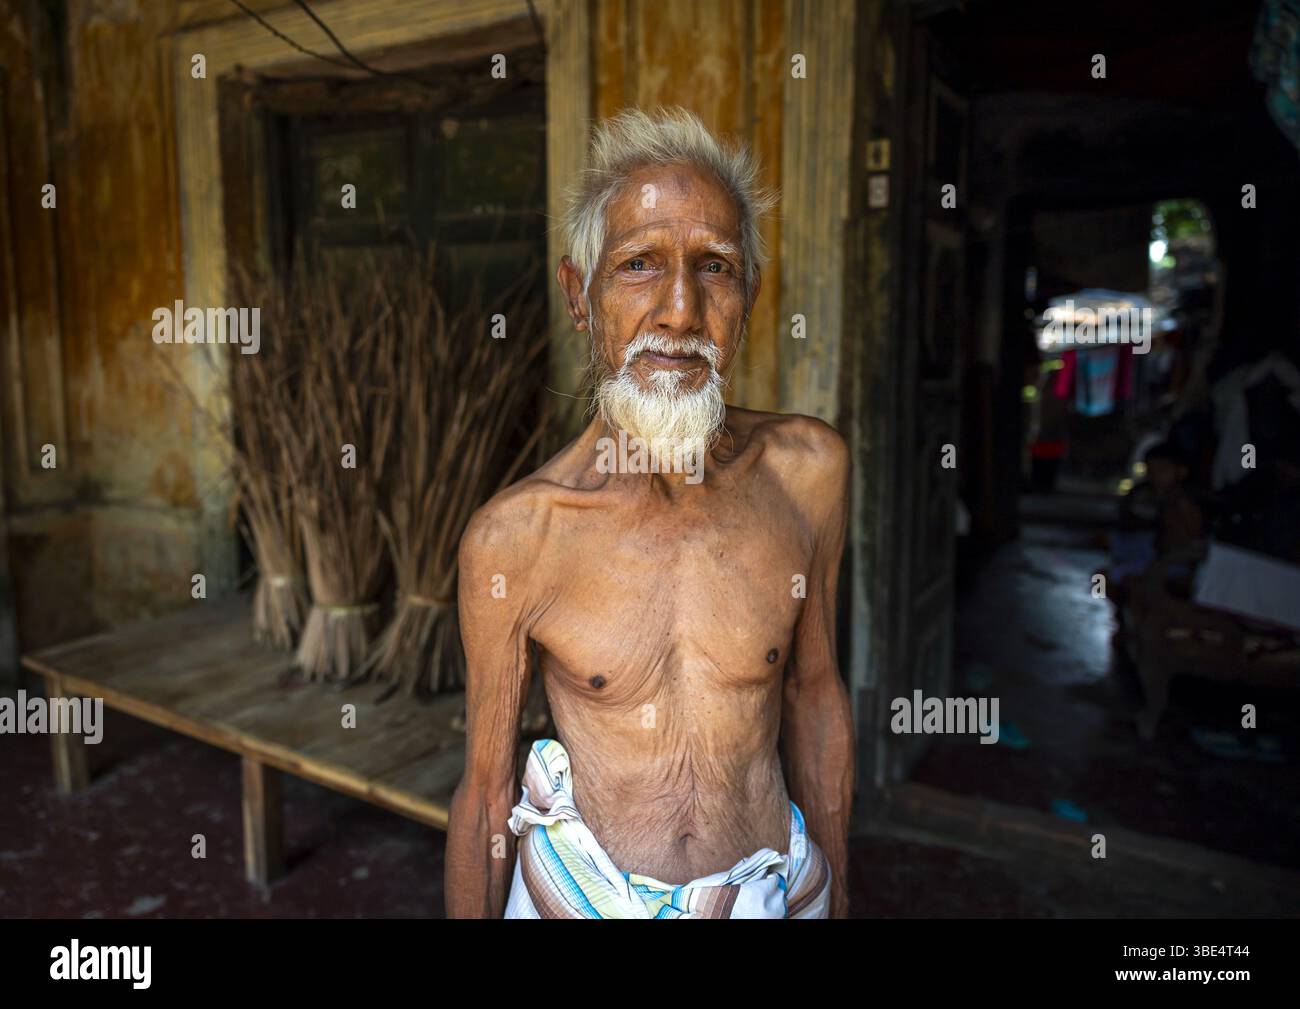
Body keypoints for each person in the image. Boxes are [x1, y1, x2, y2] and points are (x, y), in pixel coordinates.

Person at [444, 108, 853, 918]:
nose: (679, 311)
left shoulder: (809, 472)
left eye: (715, 269)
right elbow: (487, 794)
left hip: (772, 893)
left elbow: (815, 696)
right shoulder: (517, 538)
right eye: (638, 264)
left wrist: (837, 895)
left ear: (750, 297)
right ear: (581, 295)